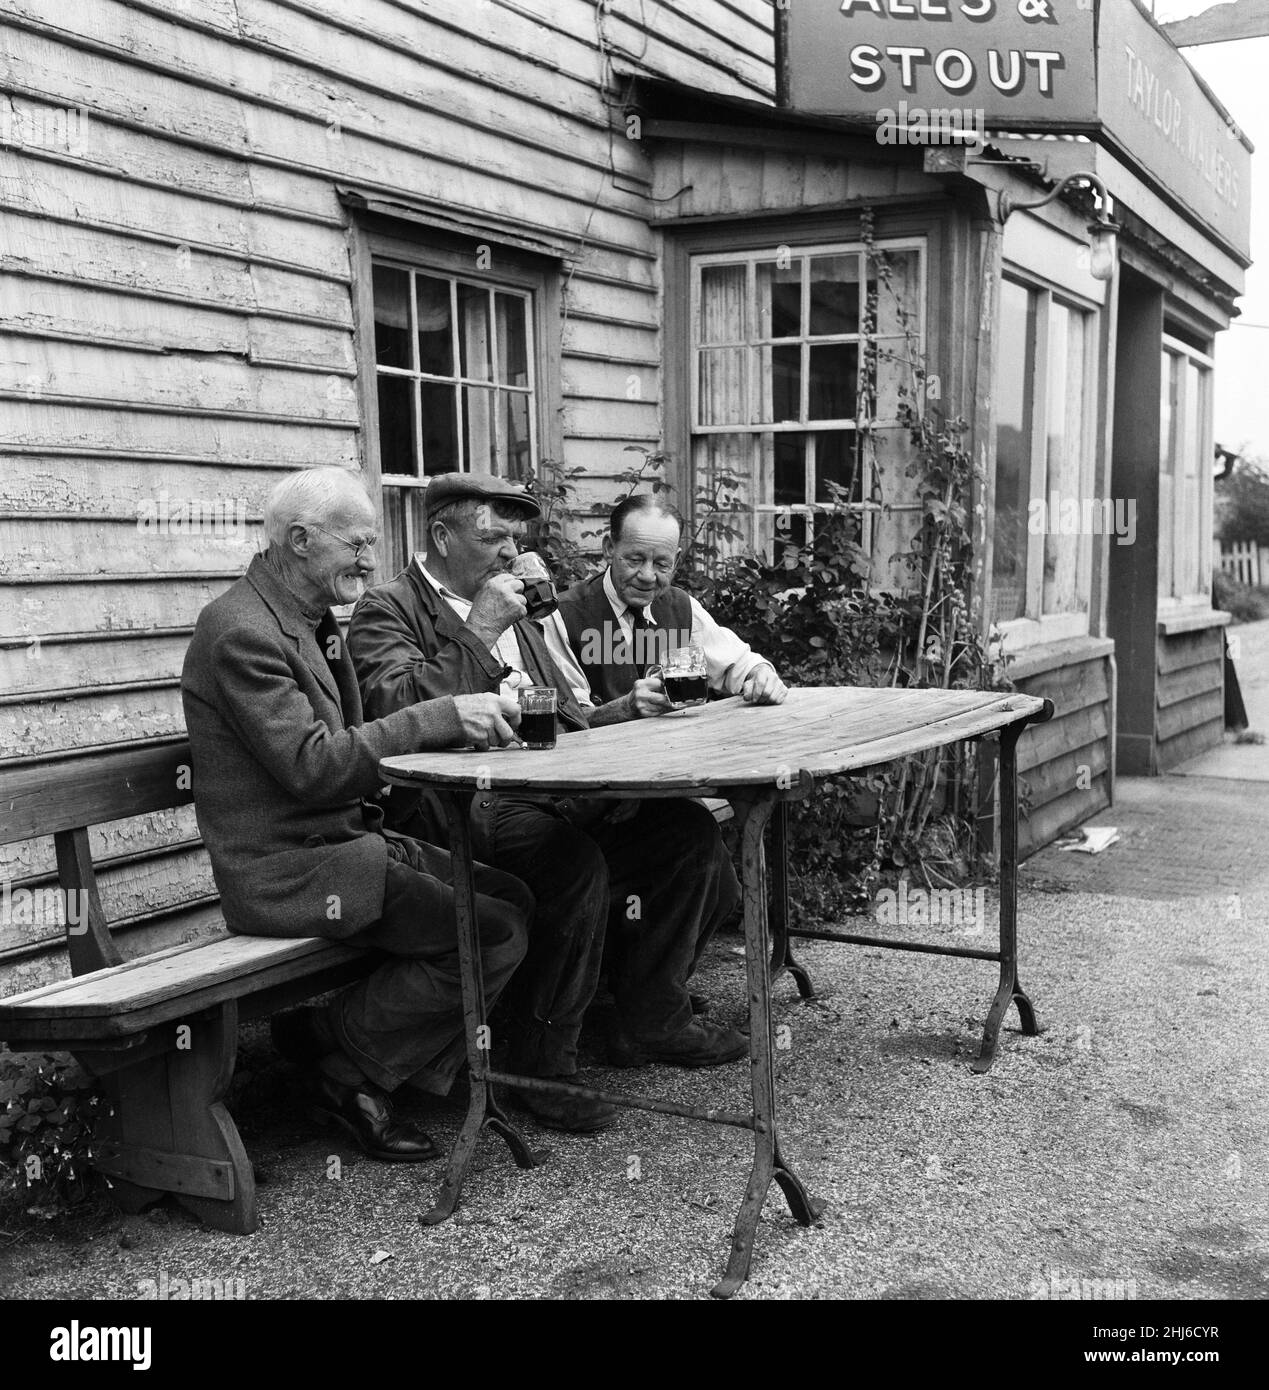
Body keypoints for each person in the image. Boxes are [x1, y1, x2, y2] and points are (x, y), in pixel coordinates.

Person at [347, 473, 747, 1111]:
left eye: (514, 538)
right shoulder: (388, 609)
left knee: (687, 835)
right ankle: (541, 1062)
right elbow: (392, 712)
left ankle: (649, 1018)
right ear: (442, 536)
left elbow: (563, 716)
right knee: (572, 864)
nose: (510, 553)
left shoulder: (516, 609)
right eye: (493, 538)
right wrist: (477, 631)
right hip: (458, 809)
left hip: (547, 788)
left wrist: (622, 713)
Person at [181, 465, 533, 1163]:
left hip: (343, 843)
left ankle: (341, 1044)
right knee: (489, 934)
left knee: (514, 897)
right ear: (302, 540)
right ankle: (344, 1066)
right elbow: (316, 768)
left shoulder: (308, 622)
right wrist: (439, 716)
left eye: (373, 545)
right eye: (358, 545)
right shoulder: (240, 632)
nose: (373, 561)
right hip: (288, 871)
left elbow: (360, 737)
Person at [546, 492, 789, 710]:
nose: (647, 576)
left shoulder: (682, 607)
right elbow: (568, 718)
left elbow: (739, 664)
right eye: (635, 560)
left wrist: (761, 675)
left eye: (662, 564)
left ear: (676, 559)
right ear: (609, 548)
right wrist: (624, 709)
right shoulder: (563, 615)